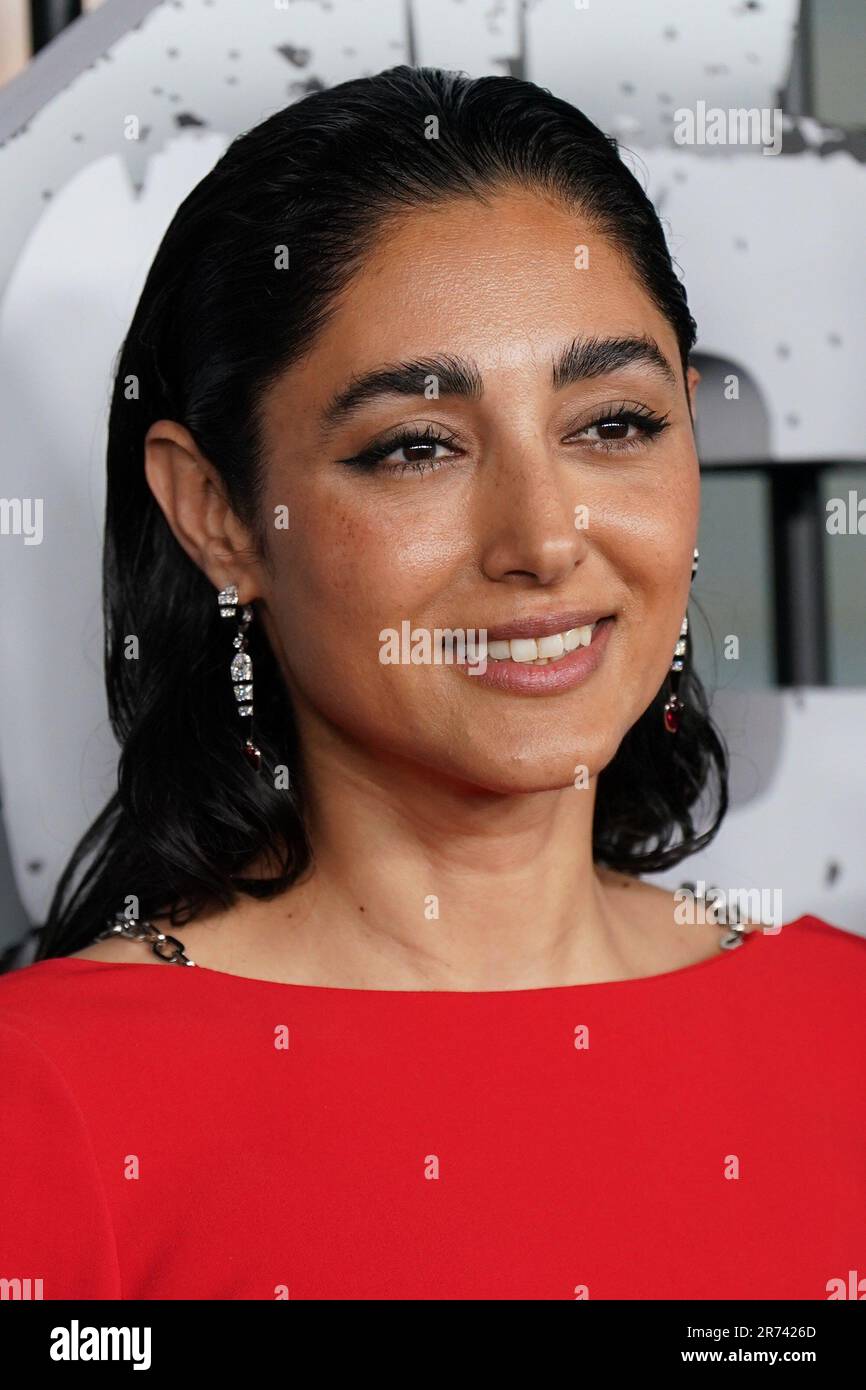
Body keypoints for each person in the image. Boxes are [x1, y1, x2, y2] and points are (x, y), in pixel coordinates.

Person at [1, 66, 863, 1302]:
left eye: (610, 425)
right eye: (415, 446)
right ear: (219, 513)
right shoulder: (44, 1103)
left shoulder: (846, 1034)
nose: (543, 538)